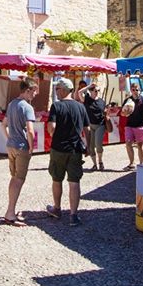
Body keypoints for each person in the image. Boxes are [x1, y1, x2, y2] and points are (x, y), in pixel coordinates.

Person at [46, 77, 91, 225]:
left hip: (59, 147)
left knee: (57, 179)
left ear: (64, 90)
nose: (56, 91)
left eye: (57, 88)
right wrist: (88, 146)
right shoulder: (80, 107)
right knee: (74, 181)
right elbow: (87, 129)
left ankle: (57, 208)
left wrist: (53, 133)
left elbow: (51, 127)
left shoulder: (56, 106)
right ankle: (73, 215)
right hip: (75, 148)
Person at [3, 77, 39, 225]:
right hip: (21, 147)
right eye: (34, 91)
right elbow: (30, 131)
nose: (35, 94)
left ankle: (10, 210)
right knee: (19, 179)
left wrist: (9, 138)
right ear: (28, 90)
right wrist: (31, 147)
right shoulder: (27, 107)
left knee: (14, 178)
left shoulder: (12, 104)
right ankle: (10, 212)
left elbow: (3, 124)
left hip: (11, 145)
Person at [121, 81, 143, 170]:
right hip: (129, 125)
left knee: (140, 145)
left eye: (136, 90)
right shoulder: (128, 100)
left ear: (139, 90)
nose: (135, 91)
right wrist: (125, 113)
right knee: (128, 144)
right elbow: (122, 113)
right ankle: (131, 163)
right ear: (131, 90)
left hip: (140, 126)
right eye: (133, 89)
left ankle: (141, 164)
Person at [82, 82, 107, 171]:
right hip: (90, 125)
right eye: (95, 90)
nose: (97, 92)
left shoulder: (101, 101)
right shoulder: (87, 100)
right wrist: (89, 86)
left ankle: (100, 161)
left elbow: (105, 111)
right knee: (91, 147)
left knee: (98, 144)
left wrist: (107, 112)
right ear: (91, 91)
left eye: (98, 91)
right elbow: (79, 93)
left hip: (100, 124)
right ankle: (94, 164)